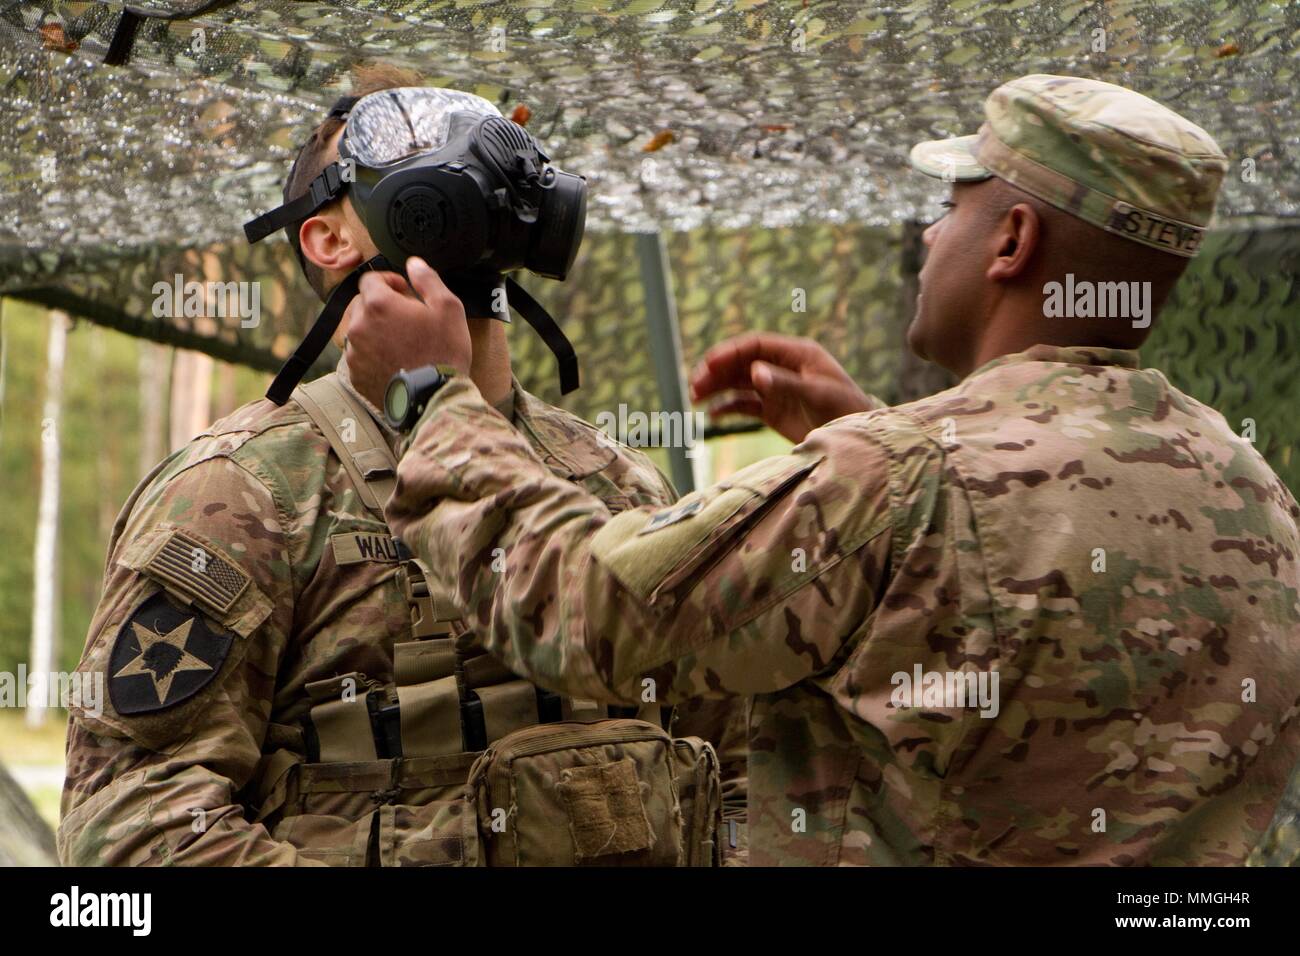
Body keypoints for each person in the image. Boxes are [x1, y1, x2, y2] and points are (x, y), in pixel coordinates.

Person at [363, 74, 1300, 865]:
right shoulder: (1258, 496)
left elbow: (580, 612)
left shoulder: (895, 480)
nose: (931, 238)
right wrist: (874, 434)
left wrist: (432, 396)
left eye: (951, 208)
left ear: (1012, 241)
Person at [58, 65, 747, 866]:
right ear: (327, 237)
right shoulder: (242, 492)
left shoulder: (618, 484)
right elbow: (132, 825)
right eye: (410, 138)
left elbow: (735, 774)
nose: (471, 155)